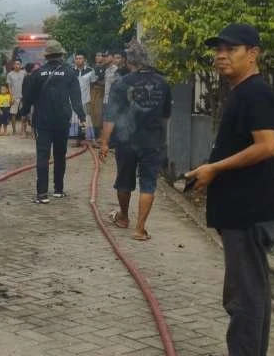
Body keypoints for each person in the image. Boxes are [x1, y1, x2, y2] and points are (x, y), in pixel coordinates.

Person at [186, 24, 274, 356]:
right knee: (252, 288)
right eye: (218, 49)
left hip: (248, 209)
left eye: (231, 48)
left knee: (244, 292)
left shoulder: (255, 93)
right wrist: (210, 175)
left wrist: (214, 168)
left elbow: (267, 146)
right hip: (242, 206)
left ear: (253, 53)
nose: (221, 55)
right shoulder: (243, 92)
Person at [99, 39, 171, 241]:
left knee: (124, 180)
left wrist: (104, 143)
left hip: (126, 141)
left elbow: (110, 116)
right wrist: (161, 141)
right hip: (153, 141)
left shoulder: (121, 83)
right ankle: (140, 229)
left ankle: (123, 217)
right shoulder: (163, 83)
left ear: (129, 61)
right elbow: (165, 116)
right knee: (148, 184)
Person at [19, 40, 85, 204]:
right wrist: (82, 116)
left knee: (43, 156)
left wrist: (24, 113)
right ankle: (58, 190)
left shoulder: (37, 73)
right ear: (62, 55)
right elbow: (76, 99)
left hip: (42, 120)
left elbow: (28, 98)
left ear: (46, 56)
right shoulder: (70, 73)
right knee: (60, 155)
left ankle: (42, 194)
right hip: (62, 120)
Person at [73, 53, 98, 142]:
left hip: (86, 99)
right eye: (77, 58)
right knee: (75, 118)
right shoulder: (71, 70)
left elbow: (92, 84)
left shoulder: (90, 71)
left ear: (85, 60)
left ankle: (89, 138)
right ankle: (77, 139)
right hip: (74, 99)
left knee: (87, 118)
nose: (78, 60)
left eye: (80, 58)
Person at [6, 59, 27, 136]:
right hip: (14, 97)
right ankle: (14, 131)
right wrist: (11, 97)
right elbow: (9, 87)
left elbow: (27, 84)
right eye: (15, 64)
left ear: (21, 65)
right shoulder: (10, 74)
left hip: (23, 97)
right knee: (13, 114)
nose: (17, 65)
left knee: (24, 114)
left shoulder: (24, 73)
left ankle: (23, 131)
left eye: (18, 64)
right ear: (13, 65)